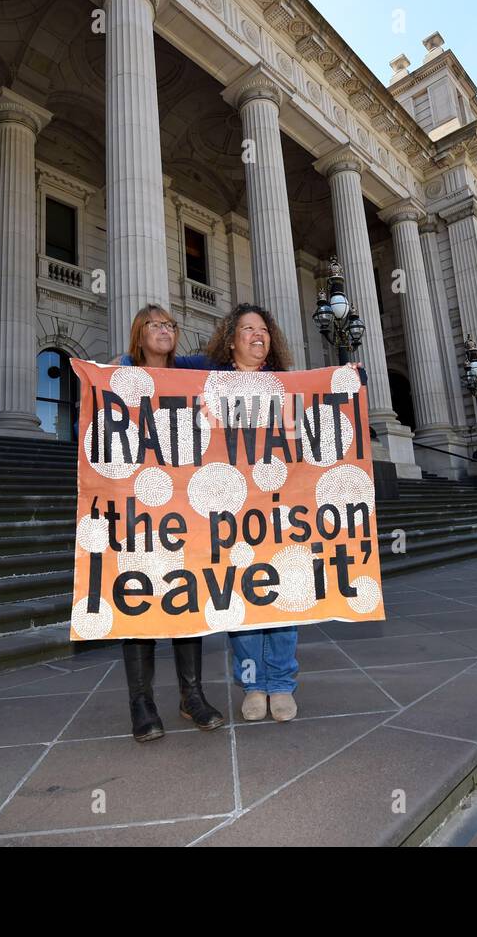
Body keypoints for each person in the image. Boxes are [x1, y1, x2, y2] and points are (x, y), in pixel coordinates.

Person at [113, 305, 225, 742]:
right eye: (156, 325)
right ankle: (141, 703)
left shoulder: (191, 369)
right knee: (139, 601)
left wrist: (342, 377)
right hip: (138, 505)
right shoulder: (120, 374)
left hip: (185, 504)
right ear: (139, 335)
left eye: (170, 325)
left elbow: (238, 367)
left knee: (184, 599)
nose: (165, 330)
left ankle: (191, 696)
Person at [201, 304, 302, 723]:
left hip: (278, 504)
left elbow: (299, 439)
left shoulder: (286, 387)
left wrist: (349, 379)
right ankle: (252, 684)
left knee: (282, 590)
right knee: (240, 594)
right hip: (232, 506)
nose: (257, 335)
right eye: (247, 329)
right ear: (231, 340)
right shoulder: (211, 387)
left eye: (263, 329)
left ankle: (281, 683)